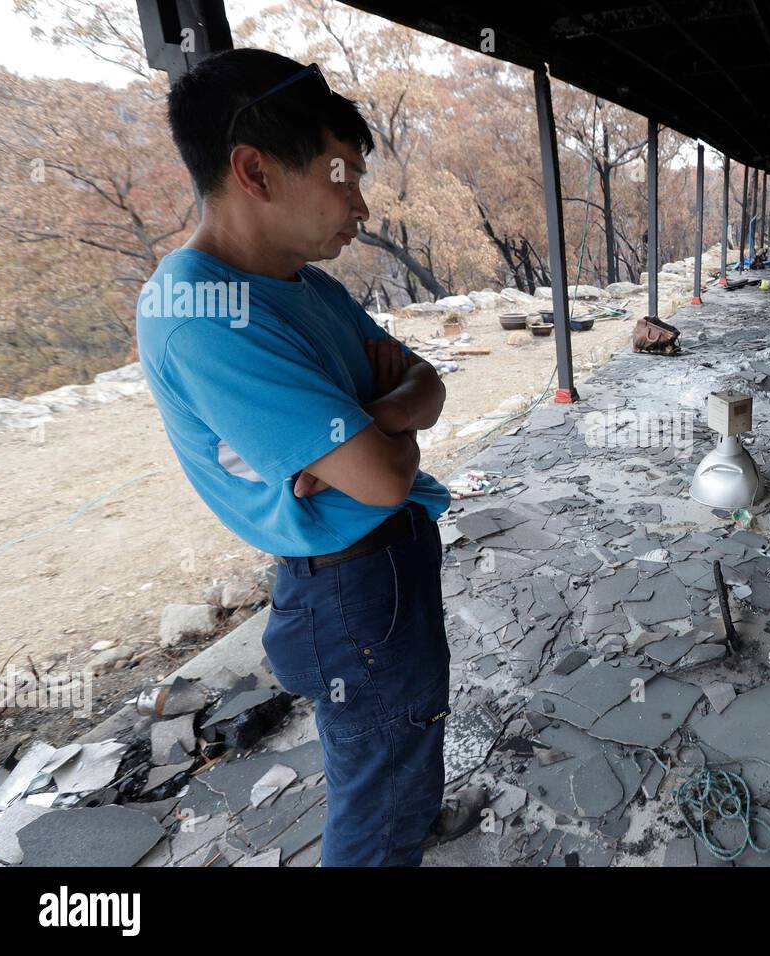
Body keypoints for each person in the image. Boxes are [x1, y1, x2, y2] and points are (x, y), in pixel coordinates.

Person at [137, 48, 484, 866]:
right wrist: (378, 434)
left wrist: (368, 418)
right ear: (254, 170)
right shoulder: (200, 315)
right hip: (347, 591)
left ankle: (415, 820)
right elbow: (384, 473)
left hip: (386, 561)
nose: (360, 205)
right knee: (372, 781)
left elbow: (429, 384)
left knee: (407, 728)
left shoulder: (305, 285)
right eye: (342, 175)